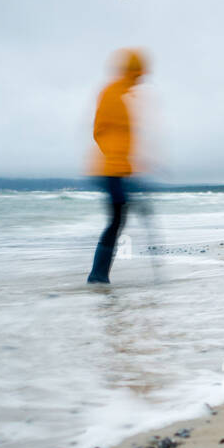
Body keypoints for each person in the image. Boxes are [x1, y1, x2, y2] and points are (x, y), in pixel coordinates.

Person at [87, 49, 148, 284]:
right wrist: (115, 160)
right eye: (138, 75)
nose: (140, 80)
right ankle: (98, 276)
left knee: (117, 220)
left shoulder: (124, 94)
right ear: (132, 71)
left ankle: (99, 276)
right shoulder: (113, 94)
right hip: (110, 170)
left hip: (119, 169)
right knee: (116, 221)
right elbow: (99, 130)